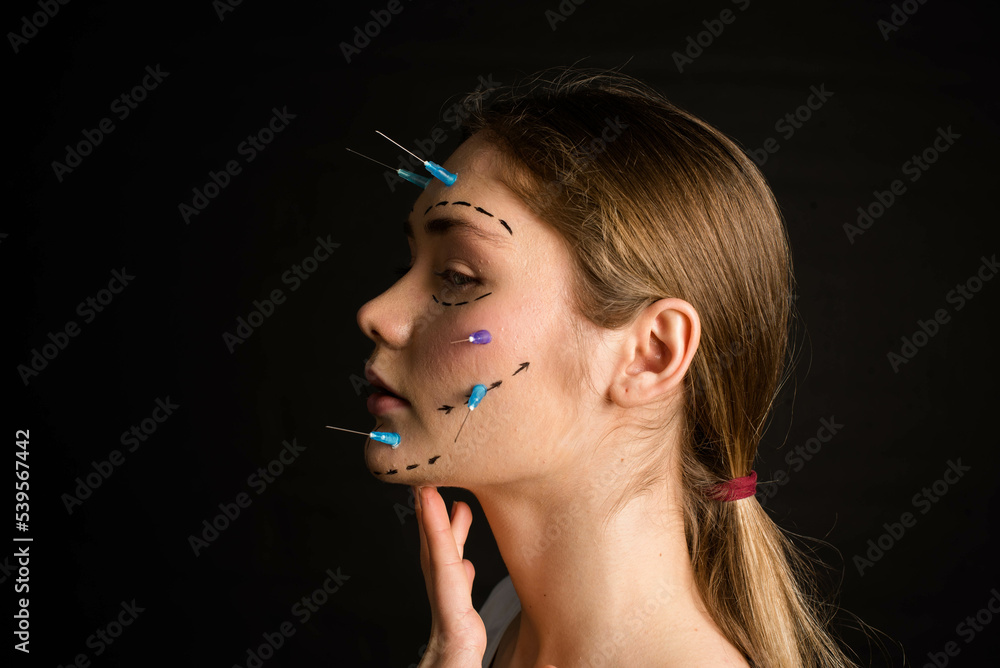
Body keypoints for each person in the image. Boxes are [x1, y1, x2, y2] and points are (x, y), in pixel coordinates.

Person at [357, 67, 856, 667]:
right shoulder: (496, 624)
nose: (377, 313)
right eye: (407, 263)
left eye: (459, 277)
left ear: (651, 355)